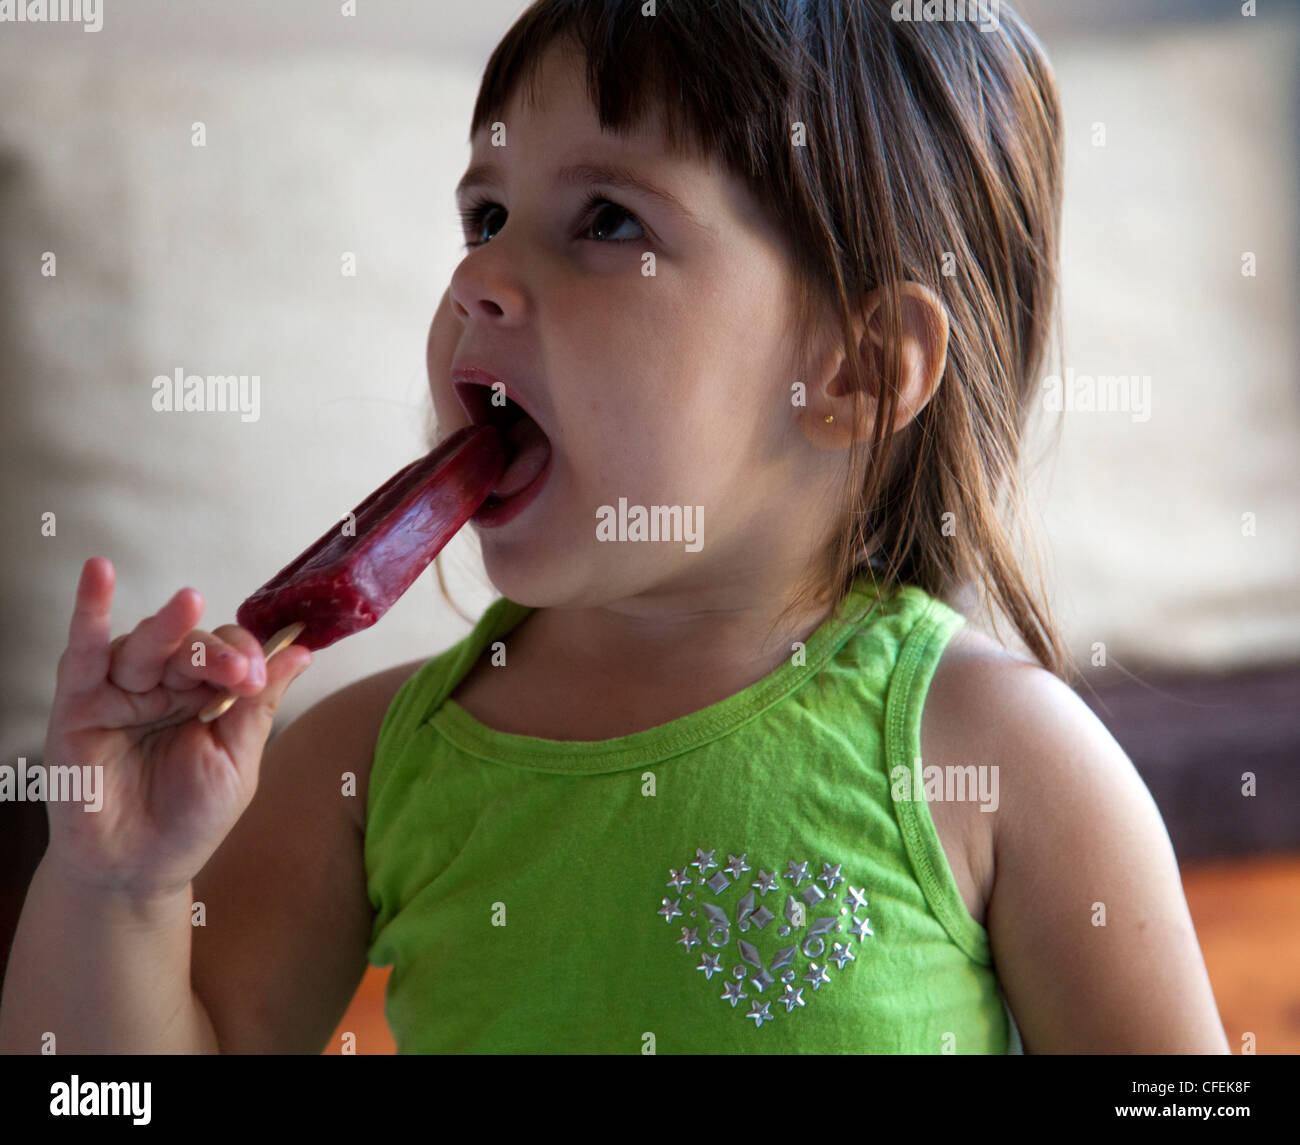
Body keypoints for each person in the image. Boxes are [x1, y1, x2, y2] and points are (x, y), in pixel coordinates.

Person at [0, 0, 1229, 1053]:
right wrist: (117, 885)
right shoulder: (366, 765)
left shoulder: (995, 749)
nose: (478, 277)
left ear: (853, 371)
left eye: (607, 222)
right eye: (484, 216)